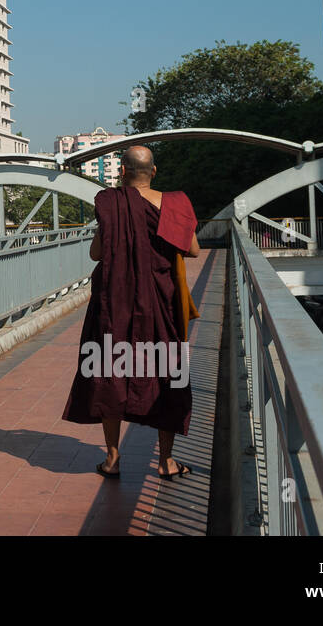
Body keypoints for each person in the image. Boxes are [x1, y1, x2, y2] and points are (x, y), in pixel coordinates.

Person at [63, 145, 201, 481]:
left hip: (115, 304)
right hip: (162, 306)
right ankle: (166, 461)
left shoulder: (111, 205)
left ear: (121, 172)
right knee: (167, 374)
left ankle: (112, 458)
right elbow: (194, 249)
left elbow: (97, 253)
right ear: (154, 172)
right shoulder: (174, 204)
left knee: (110, 373)